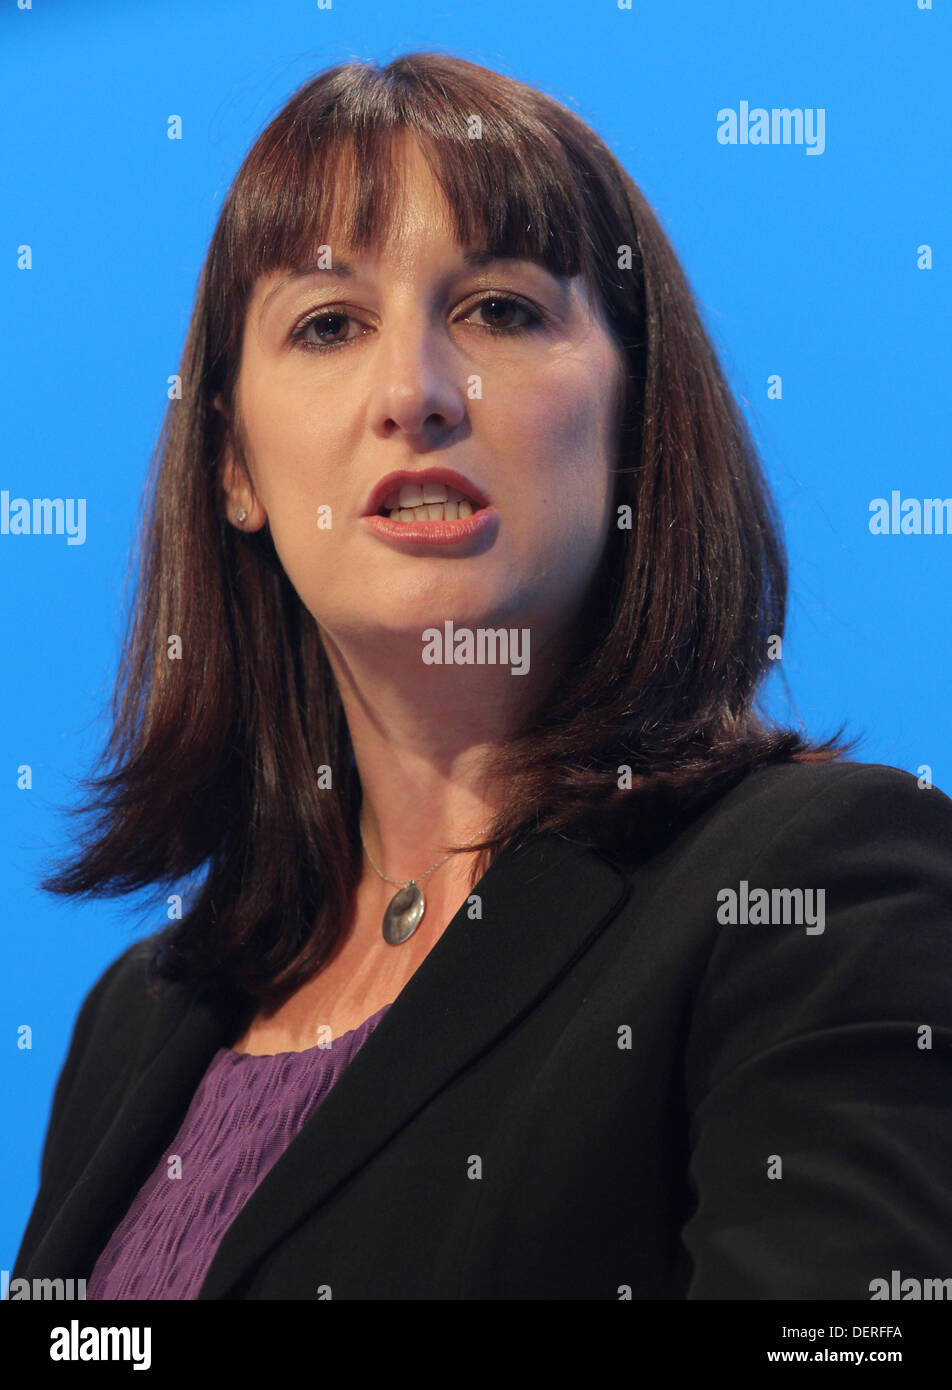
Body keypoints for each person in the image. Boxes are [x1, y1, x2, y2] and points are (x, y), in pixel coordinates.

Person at [12, 52, 952, 1301]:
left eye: (501, 310)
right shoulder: (138, 1016)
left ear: (634, 419)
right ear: (234, 466)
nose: (414, 393)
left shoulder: (817, 891)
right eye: (328, 324)